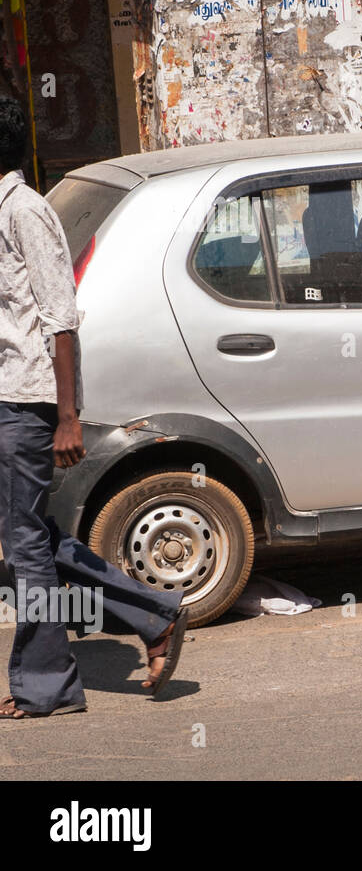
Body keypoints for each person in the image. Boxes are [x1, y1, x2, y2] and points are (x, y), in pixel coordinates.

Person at [0, 97, 187, 718]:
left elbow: (61, 319)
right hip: (5, 395)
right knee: (29, 538)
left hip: (26, 402)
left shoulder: (26, 212)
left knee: (26, 545)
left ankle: (45, 683)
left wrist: (68, 415)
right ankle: (152, 613)